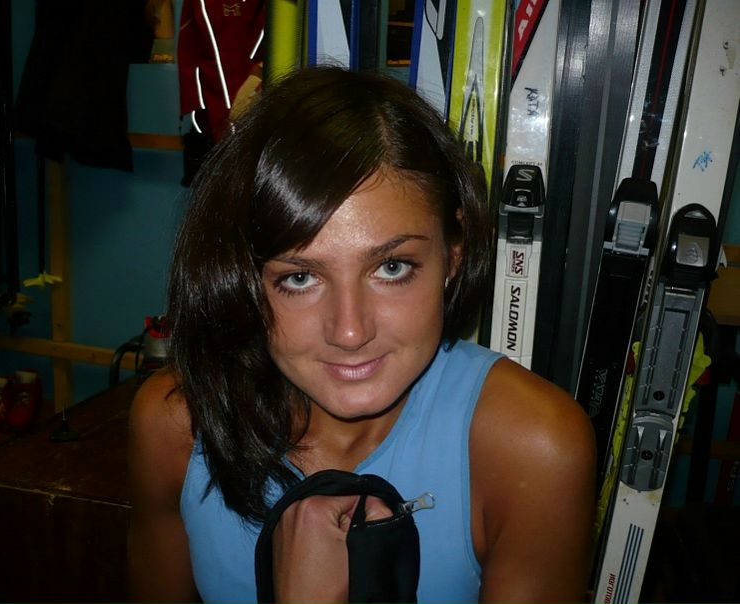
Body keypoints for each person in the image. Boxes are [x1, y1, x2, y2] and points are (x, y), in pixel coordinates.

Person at [128, 65, 596, 604]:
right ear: (241, 276)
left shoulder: (532, 450)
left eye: (391, 268)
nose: (350, 331)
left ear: (453, 255)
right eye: (299, 278)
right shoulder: (176, 427)